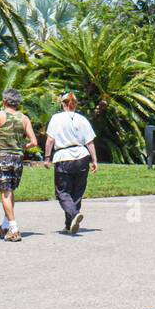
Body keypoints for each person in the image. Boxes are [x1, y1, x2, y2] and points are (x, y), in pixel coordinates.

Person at [0, 88, 39, 242]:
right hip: (17, 158)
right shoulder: (24, 118)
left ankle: (14, 228)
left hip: (2, 157)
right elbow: (34, 142)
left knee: (5, 192)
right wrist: (22, 147)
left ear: (4, 101)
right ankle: (5, 226)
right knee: (10, 190)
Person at [43, 92, 99, 234]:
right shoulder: (82, 119)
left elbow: (50, 140)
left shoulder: (56, 118)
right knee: (77, 192)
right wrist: (94, 160)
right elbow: (90, 142)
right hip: (82, 157)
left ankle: (74, 215)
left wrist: (47, 157)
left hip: (63, 157)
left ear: (62, 104)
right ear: (75, 104)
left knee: (62, 192)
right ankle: (70, 225)